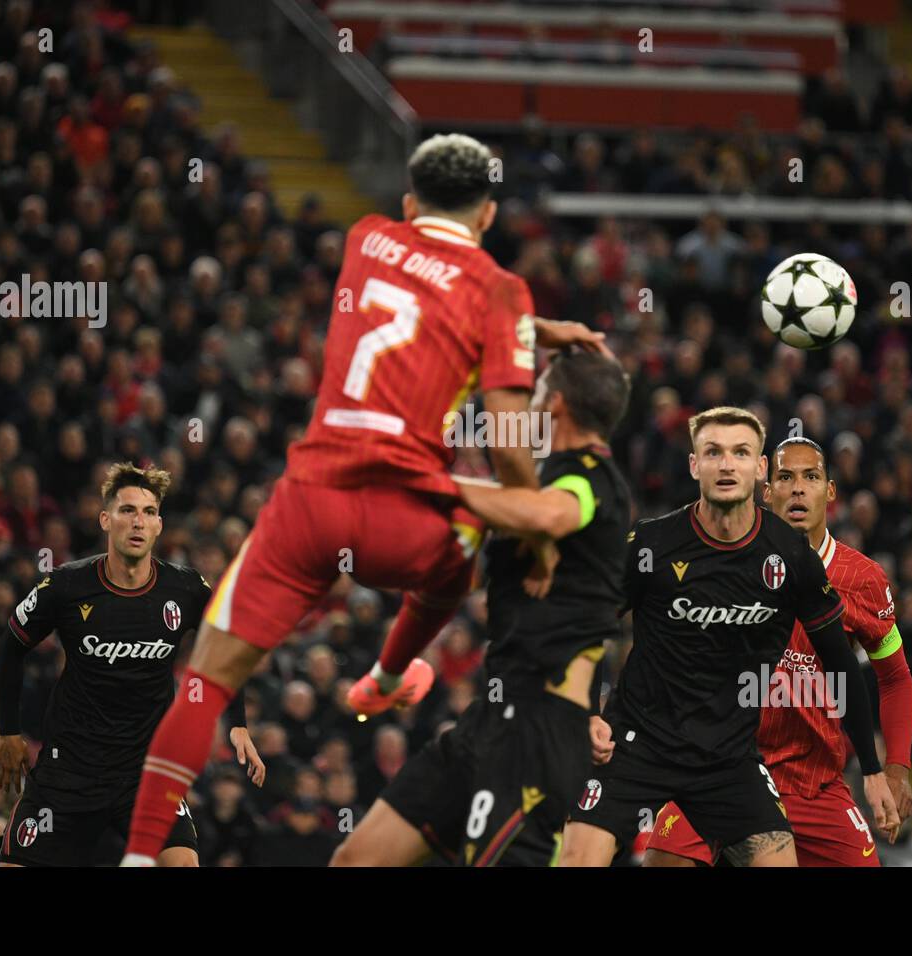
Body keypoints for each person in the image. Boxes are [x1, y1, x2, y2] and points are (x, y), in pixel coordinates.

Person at [120, 133, 605, 866]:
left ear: (409, 203)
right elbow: (508, 435)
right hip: (407, 523)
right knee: (464, 552)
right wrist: (535, 536)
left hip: (311, 504)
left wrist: (523, 329)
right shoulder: (501, 290)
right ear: (489, 215)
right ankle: (386, 674)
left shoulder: (367, 237)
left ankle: (133, 858)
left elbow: (416, 295)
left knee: (205, 685)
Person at [559, 408, 899, 866]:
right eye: (713, 452)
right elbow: (586, 621)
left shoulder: (790, 556)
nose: (726, 465)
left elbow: (841, 663)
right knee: (579, 858)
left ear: (759, 469)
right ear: (694, 464)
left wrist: (874, 770)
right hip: (637, 742)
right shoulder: (651, 545)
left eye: (740, 453)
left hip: (728, 759)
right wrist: (585, 714)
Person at [331, 351, 631, 866]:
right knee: (355, 859)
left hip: (537, 731)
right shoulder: (537, 482)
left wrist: (430, 485)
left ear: (554, 403)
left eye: (536, 392)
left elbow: (551, 516)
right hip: (489, 720)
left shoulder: (591, 477)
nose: (529, 403)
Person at [645, 437, 912, 866]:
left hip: (814, 784)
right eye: (785, 477)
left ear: (829, 491)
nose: (797, 489)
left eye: (810, 477)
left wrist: (896, 768)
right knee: (665, 861)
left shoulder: (863, 579)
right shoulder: (719, 564)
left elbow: (896, 677)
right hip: (723, 768)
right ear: (766, 491)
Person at [0, 463, 263, 866]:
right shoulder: (66, 585)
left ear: (159, 526)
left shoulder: (185, 588)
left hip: (145, 771)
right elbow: (9, 648)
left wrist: (237, 721)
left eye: (148, 513)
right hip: (70, 772)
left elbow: (226, 645)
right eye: (127, 510)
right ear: (105, 520)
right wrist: (9, 732)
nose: (138, 522)